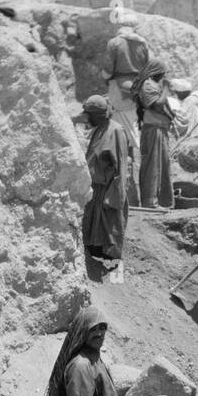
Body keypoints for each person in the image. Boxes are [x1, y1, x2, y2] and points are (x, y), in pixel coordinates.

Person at [82, 95, 130, 273]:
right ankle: (94, 254)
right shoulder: (98, 129)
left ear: (98, 115)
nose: (87, 118)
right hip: (96, 187)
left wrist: (114, 193)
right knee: (93, 224)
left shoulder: (116, 131)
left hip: (108, 187)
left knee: (109, 223)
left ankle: (111, 263)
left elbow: (120, 167)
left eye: (89, 115)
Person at [101, 23, 150, 175]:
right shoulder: (143, 43)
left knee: (119, 127)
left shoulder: (115, 42)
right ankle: (130, 165)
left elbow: (108, 70)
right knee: (131, 124)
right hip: (138, 89)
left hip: (119, 89)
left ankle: (123, 168)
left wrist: (105, 78)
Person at [133, 59, 177, 209]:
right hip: (153, 130)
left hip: (160, 129)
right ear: (156, 73)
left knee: (163, 166)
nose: (164, 76)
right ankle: (150, 202)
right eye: (163, 74)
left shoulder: (153, 85)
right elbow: (157, 105)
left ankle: (164, 201)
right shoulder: (148, 85)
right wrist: (165, 88)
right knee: (152, 166)